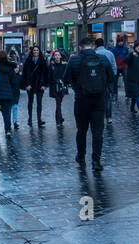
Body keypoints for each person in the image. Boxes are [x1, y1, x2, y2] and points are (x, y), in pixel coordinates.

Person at [65, 37, 113, 171]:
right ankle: (96, 161)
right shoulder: (103, 59)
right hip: (99, 101)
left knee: (81, 131)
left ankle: (81, 157)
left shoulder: (74, 60)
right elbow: (111, 78)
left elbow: (66, 79)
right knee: (98, 132)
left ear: (80, 47)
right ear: (92, 46)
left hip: (81, 100)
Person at [0, 50, 19, 137]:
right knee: (6, 113)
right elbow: (14, 82)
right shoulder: (10, 68)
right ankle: (8, 130)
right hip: (7, 94)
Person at [21, 45, 48, 125]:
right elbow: (24, 74)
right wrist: (27, 85)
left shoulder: (43, 61)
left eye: (37, 50)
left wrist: (44, 85)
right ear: (32, 52)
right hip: (30, 85)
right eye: (34, 50)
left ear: (39, 52)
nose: (35, 52)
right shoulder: (28, 61)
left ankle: (39, 119)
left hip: (40, 85)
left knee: (39, 103)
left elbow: (46, 74)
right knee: (30, 102)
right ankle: (30, 119)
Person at [93, 37, 118, 123]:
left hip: (97, 80)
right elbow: (114, 66)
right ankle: (109, 117)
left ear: (95, 45)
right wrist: (113, 77)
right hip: (108, 79)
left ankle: (100, 116)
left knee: (98, 99)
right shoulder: (110, 53)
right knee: (108, 98)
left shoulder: (94, 54)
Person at [124, 42, 139, 115]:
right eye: (137, 46)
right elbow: (125, 61)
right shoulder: (132, 55)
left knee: (135, 93)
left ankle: (132, 107)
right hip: (132, 78)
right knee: (137, 93)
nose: (138, 48)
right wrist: (131, 54)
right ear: (135, 48)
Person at [48, 49, 70, 123]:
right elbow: (49, 77)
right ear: (53, 57)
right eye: (55, 55)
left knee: (59, 102)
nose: (57, 56)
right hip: (54, 86)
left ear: (60, 56)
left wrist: (66, 83)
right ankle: (60, 118)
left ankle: (57, 118)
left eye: (58, 55)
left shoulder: (64, 65)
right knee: (58, 102)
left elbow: (66, 76)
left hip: (62, 86)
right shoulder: (51, 65)